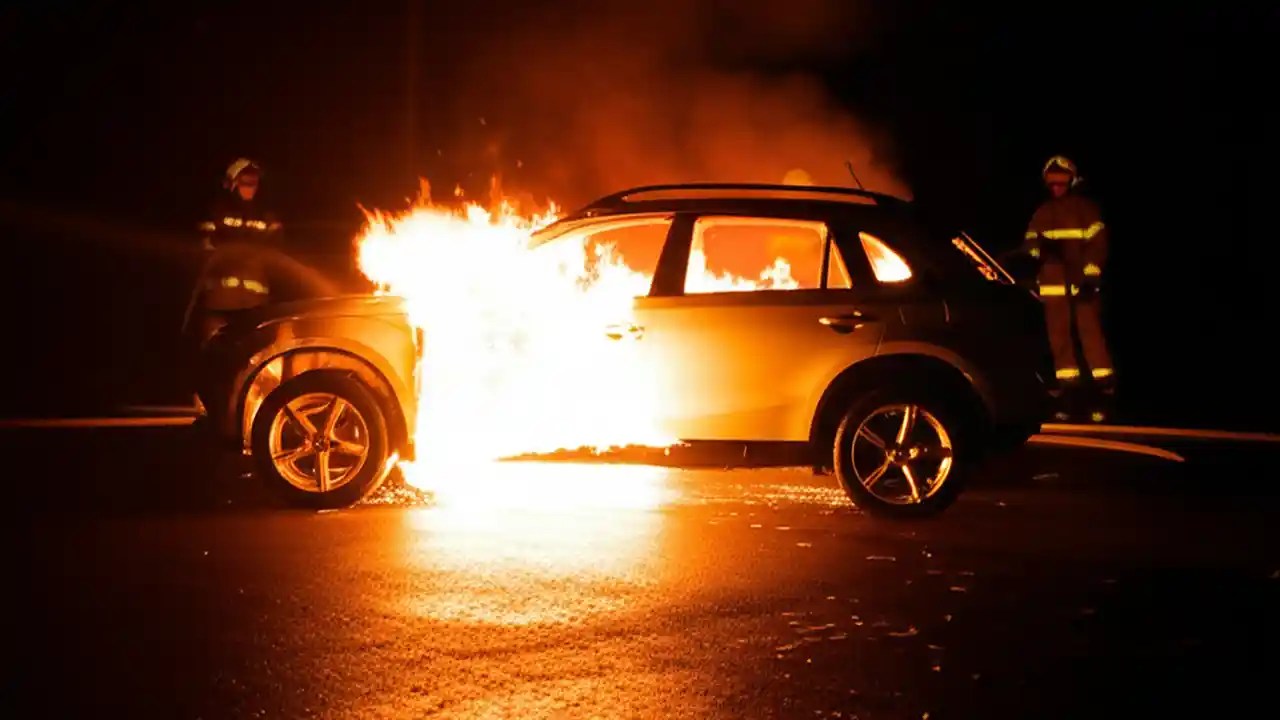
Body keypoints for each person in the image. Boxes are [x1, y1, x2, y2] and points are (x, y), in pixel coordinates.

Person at [1021, 155, 1115, 396]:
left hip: (1082, 282)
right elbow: (1030, 246)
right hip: (1053, 282)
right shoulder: (1042, 213)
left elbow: (1098, 245)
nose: (1056, 188)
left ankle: (1104, 379)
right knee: (1058, 334)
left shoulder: (1086, 210)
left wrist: (1091, 276)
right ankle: (1068, 380)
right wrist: (1038, 254)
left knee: (1090, 329)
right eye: (1052, 183)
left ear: (1073, 181)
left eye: (1061, 183)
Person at [189, 158, 283, 344]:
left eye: (253, 183)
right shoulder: (216, 212)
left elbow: (277, 252)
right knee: (214, 354)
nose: (250, 187)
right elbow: (206, 247)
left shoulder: (266, 217)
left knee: (251, 358)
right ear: (232, 184)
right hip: (219, 303)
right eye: (245, 182)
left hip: (254, 305)